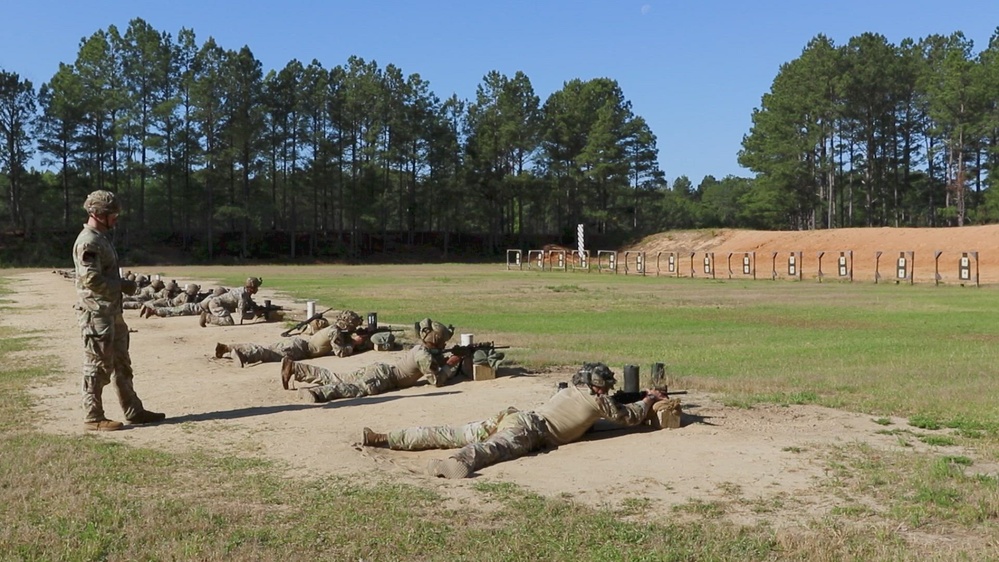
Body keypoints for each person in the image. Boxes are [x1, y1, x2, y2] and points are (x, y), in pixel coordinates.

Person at [360, 362, 665, 479]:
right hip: (531, 429)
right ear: (600, 386)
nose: (607, 390)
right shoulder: (601, 402)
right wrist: (649, 398)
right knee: (493, 449)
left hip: (515, 415)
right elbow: (632, 416)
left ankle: (385, 438)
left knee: (449, 432)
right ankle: (454, 463)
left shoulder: (574, 388)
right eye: (606, 386)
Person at [72, 190, 165, 431]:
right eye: (112, 214)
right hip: (96, 314)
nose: (115, 218)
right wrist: (122, 285)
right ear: (97, 214)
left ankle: (133, 410)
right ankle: (93, 417)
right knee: (97, 365)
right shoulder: (88, 241)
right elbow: (90, 279)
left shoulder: (101, 238)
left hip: (112, 313)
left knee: (122, 363)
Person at [282, 318, 462, 402]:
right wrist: (451, 363)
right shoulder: (423, 355)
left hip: (381, 370)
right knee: (354, 389)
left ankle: (296, 369)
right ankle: (317, 393)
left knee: (338, 377)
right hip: (384, 378)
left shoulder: (420, 349)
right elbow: (436, 380)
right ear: (437, 340)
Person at [215, 310, 370, 367]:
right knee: (266, 353)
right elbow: (341, 352)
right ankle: (239, 352)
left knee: (267, 350)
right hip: (299, 349)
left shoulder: (335, 329)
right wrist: (355, 344)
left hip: (298, 345)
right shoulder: (335, 332)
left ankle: (228, 347)